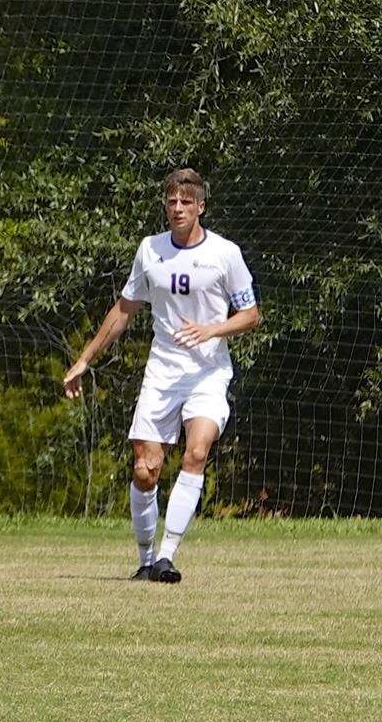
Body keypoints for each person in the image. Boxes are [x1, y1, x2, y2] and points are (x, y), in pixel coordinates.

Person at [62, 167, 261, 583]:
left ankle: (167, 556)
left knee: (197, 451)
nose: (177, 209)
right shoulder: (150, 250)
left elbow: (250, 316)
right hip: (162, 371)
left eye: (186, 202)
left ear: (201, 206)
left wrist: (212, 329)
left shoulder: (225, 253)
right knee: (144, 470)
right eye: (171, 201)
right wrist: (84, 360)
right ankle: (145, 558)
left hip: (208, 373)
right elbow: (123, 311)